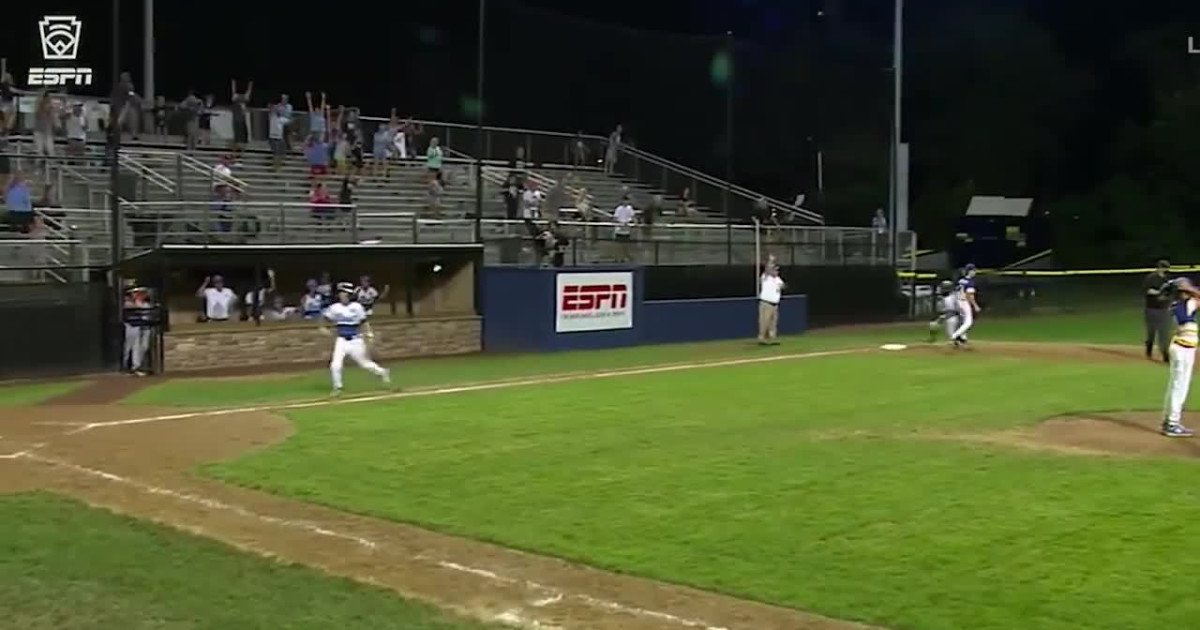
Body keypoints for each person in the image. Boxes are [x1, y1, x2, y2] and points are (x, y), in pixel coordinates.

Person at [322, 282, 391, 397]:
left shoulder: (357, 307)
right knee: (335, 364)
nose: (342, 295)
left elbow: (364, 323)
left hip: (356, 340)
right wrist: (325, 330)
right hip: (341, 340)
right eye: (340, 293)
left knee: (364, 364)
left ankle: (383, 372)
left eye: (344, 293)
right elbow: (324, 320)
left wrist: (369, 335)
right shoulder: (334, 308)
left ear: (349, 295)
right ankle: (338, 387)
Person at [1162, 277, 1200, 437]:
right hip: (1183, 348)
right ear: (1182, 292)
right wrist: (1186, 287)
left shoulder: (1176, 305)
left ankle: (1169, 420)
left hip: (1180, 347)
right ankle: (1172, 423)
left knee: (1175, 385)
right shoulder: (1187, 304)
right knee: (1180, 386)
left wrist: (1179, 286)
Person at [1143, 259, 1173, 363]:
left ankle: (1165, 355)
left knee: (1163, 333)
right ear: (1159, 267)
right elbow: (1148, 290)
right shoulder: (1151, 278)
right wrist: (1159, 293)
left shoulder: (1167, 279)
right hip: (1151, 308)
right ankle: (1149, 351)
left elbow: (1170, 292)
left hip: (1163, 309)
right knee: (1151, 332)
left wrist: (1166, 298)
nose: (1166, 270)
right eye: (1164, 267)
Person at [123, 286, 157, 376]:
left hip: (145, 327)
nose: (140, 295)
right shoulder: (128, 303)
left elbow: (150, 315)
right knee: (131, 347)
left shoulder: (146, 304)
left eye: (142, 293)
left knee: (144, 347)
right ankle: (131, 367)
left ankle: (138, 366)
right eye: (137, 293)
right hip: (133, 326)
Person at [951, 264, 981, 346]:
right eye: (973, 270)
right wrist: (975, 305)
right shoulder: (970, 282)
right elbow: (969, 295)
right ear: (969, 271)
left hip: (958, 301)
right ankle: (955, 336)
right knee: (968, 322)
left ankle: (963, 338)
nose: (975, 272)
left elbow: (956, 290)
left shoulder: (961, 280)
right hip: (964, 302)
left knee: (963, 321)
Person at [758, 262, 785, 345]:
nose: (776, 272)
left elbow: (783, 286)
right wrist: (770, 262)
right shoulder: (766, 277)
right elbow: (766, 271)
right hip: (766, 304)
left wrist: (781, 286)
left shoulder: (778, 279)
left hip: (775, 305)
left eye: (777, 271)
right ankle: (762, 338)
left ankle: (772, 338)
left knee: (773, 323)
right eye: (775, 270)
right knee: (764, 322)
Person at [230, 79, 253, 162]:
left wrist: (250, 85)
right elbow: (233, 92)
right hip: (237, 121)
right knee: (237, 140)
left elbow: (248, 93)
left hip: (242, 121)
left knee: (243, 140)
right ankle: (235, 156)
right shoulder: (236, 99)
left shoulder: (243, 99)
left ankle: (240, 157)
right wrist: (233, 84)